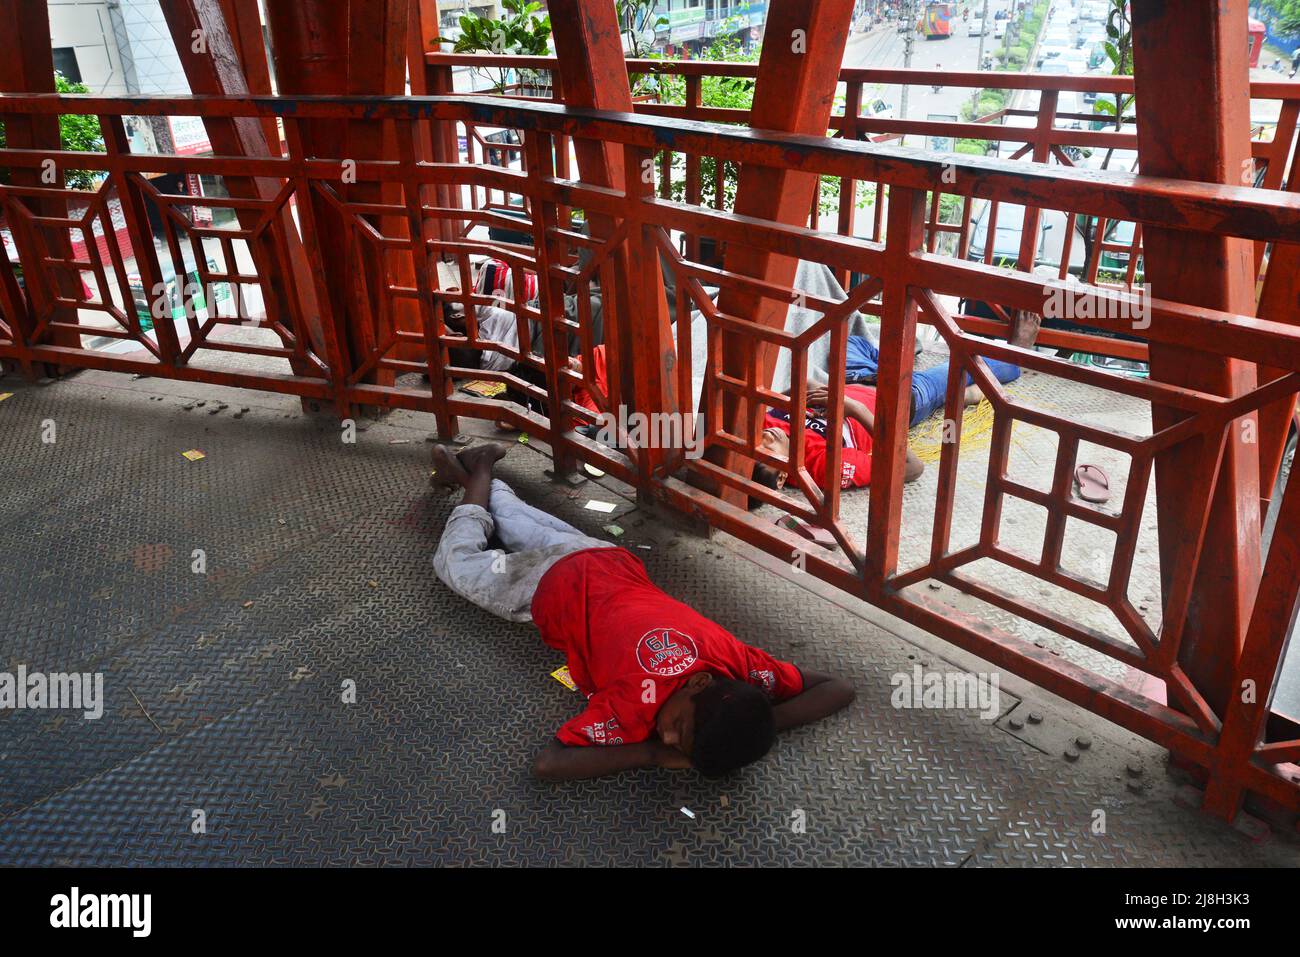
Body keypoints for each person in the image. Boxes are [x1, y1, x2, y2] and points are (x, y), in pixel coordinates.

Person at [429, 443, 856, 780]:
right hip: (546, 586)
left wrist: (756, 724)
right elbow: (549, 765)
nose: (668, 736)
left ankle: (477, 473)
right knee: (456, 562)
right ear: (700, 683)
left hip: (603, 557)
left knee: (514, 519)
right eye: (681, 731)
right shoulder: (639, 704)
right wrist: (652, 753)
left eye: (675, 743)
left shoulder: (740, 662)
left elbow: (838, 687)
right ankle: (479, 476)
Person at [754, 382, 924, 493]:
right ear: (782, 477)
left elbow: (806, 384)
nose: (765, 437)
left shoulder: (762, 427)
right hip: (901, 399)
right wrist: (858, 409)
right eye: (768, 451)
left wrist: (829, 395)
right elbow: (913, 467)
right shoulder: (825, 467)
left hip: (856, 379)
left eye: (756, 446)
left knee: (855, 341)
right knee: (948, 370)